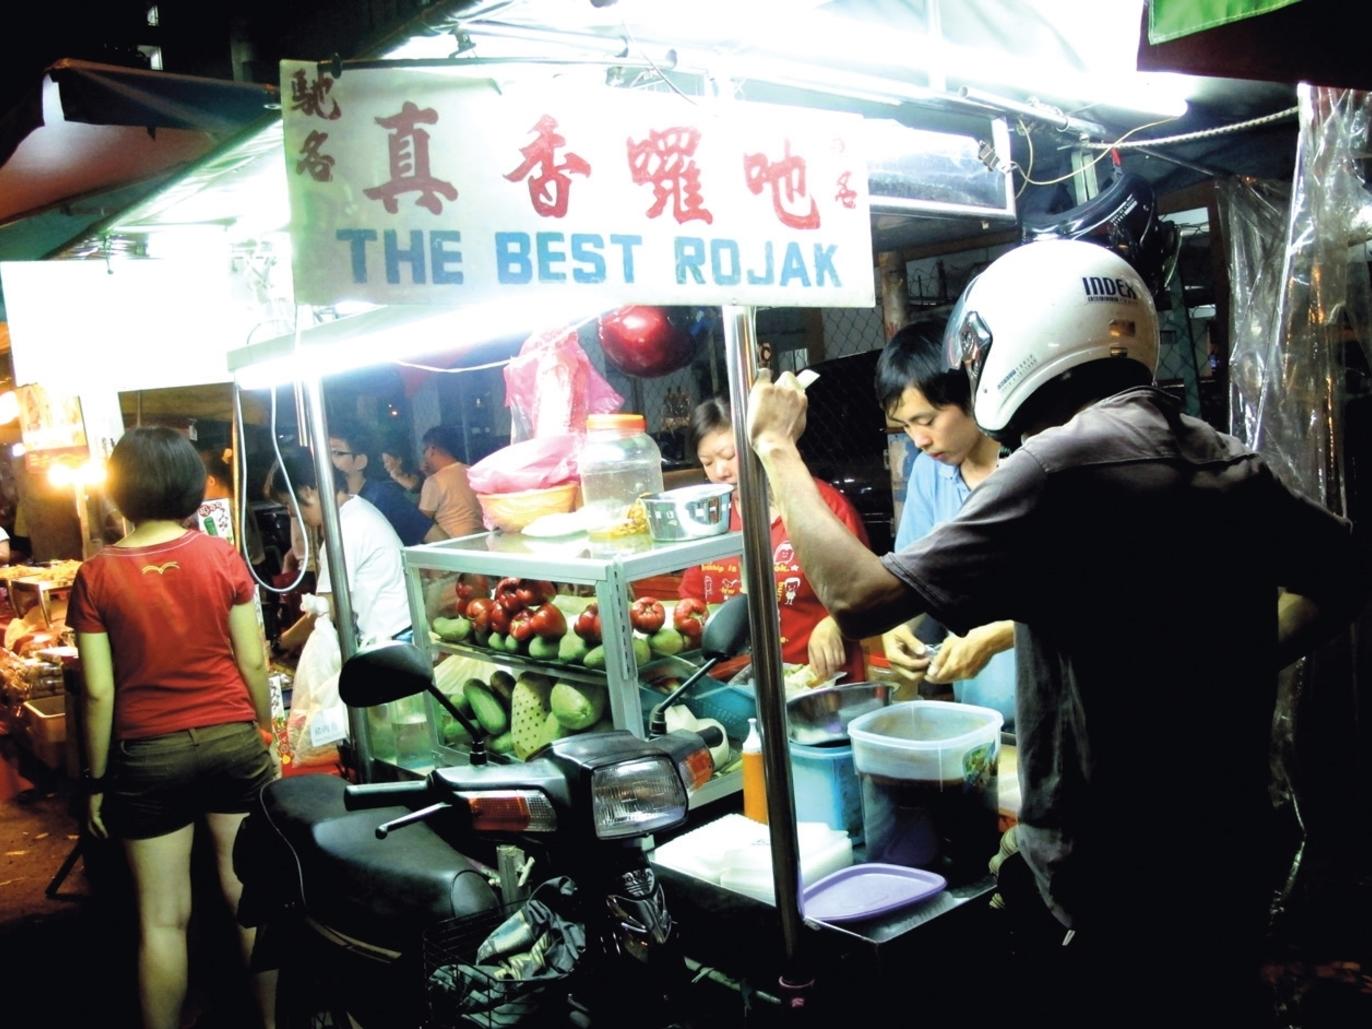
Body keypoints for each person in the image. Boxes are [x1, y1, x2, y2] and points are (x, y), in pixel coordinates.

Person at [744, 239, 1370, 1024]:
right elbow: (1345, 573)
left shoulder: (1057, 466)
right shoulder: (1222, 456)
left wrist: (775, 446)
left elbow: (858, 593)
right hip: (1227, 858)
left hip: (1113, 884)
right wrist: (1233, 661)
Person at [67, 427, 277, 1029]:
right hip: (232, 742)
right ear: (190, 486)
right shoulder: (221, 556)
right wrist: (262, 731)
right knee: (247, 897)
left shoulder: (97, 575)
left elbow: (100, 691)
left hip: (148, 755)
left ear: (120, 491)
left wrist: (97, 780)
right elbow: (254, 660)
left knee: (162, 918)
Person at [876, 321, 1017, 726]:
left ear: (972, 394)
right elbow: (914, 579)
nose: (918, 439)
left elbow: (1080, 591)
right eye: (904, 426)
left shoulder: (1035, 464)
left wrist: (995, 636)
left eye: (928, 419)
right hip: (981, 720)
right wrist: (896, 627)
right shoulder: (929, 473)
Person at [679, 397, 868, 684]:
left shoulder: (822, 506)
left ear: (759, 447)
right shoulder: (710, 520)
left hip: (821, 682)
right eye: (708, 462)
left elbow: (867, 594)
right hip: (735, 686)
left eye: (729, 456)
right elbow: (691, 603)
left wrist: (834, 623)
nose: (720, 471)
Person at [267, 446, 413, 650]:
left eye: (287, 502)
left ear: (306, 491)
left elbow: (324, 611)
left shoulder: (345, 530)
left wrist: (278, 645)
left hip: (392, 643)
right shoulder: (356, 509)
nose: (291, 512)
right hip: (398, 634)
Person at [328, 421, 446, 546]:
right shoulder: (331, 502)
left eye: (337, 453)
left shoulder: (383, 498)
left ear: (360, 461)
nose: (327, 461)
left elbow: (435, 536)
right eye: (325, 453)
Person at [418, 424, 484, 539]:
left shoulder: (433, 482)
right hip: (484, 538)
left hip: (453, 545)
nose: (424, 457)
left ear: (432, 450)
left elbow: (421, 522)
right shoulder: (474, 471)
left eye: (424, 451)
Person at [380, 434, 425, 500]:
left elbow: (414, 486)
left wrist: (397, 476)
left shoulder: (414, 473)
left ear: (399, 460)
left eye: (387, 461)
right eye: (383, 462)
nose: (385, 466)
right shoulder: (386, 483)